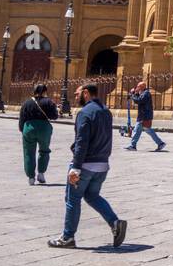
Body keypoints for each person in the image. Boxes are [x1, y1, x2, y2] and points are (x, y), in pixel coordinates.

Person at [48, 83, 126, 249]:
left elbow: (82, 142)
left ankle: (67, 237)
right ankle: (115, 222)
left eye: (77, 94)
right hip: (102, 164)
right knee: (92, 196)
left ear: (85, 93)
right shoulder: (106, 111)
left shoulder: (85, 113)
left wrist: (76, 167)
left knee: (72, 199)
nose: (75, 97)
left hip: (85, 164)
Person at [18, 82, 59, 186]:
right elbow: (54, 116)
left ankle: (31, 177)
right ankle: (41, 173)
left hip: (29, 128)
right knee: (44, 151)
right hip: (44, 128)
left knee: (28, 153)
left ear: (34, 91)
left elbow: (22, 118)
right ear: (45, 91)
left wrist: (23, 129)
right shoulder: (48, 101)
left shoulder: (27, 103)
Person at [124, 81, 166, 152]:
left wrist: (133, 95)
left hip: (144, 116)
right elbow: (138, 99)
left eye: (138, 86)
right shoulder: (143, 93)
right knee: (144, 130)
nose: (137, 87)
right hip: (143, 116)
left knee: (138, 130)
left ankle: (133, 145)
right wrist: (134, 94)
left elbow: (139, 101)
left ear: (142, 87)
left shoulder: (146, 94)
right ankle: (160, 143)